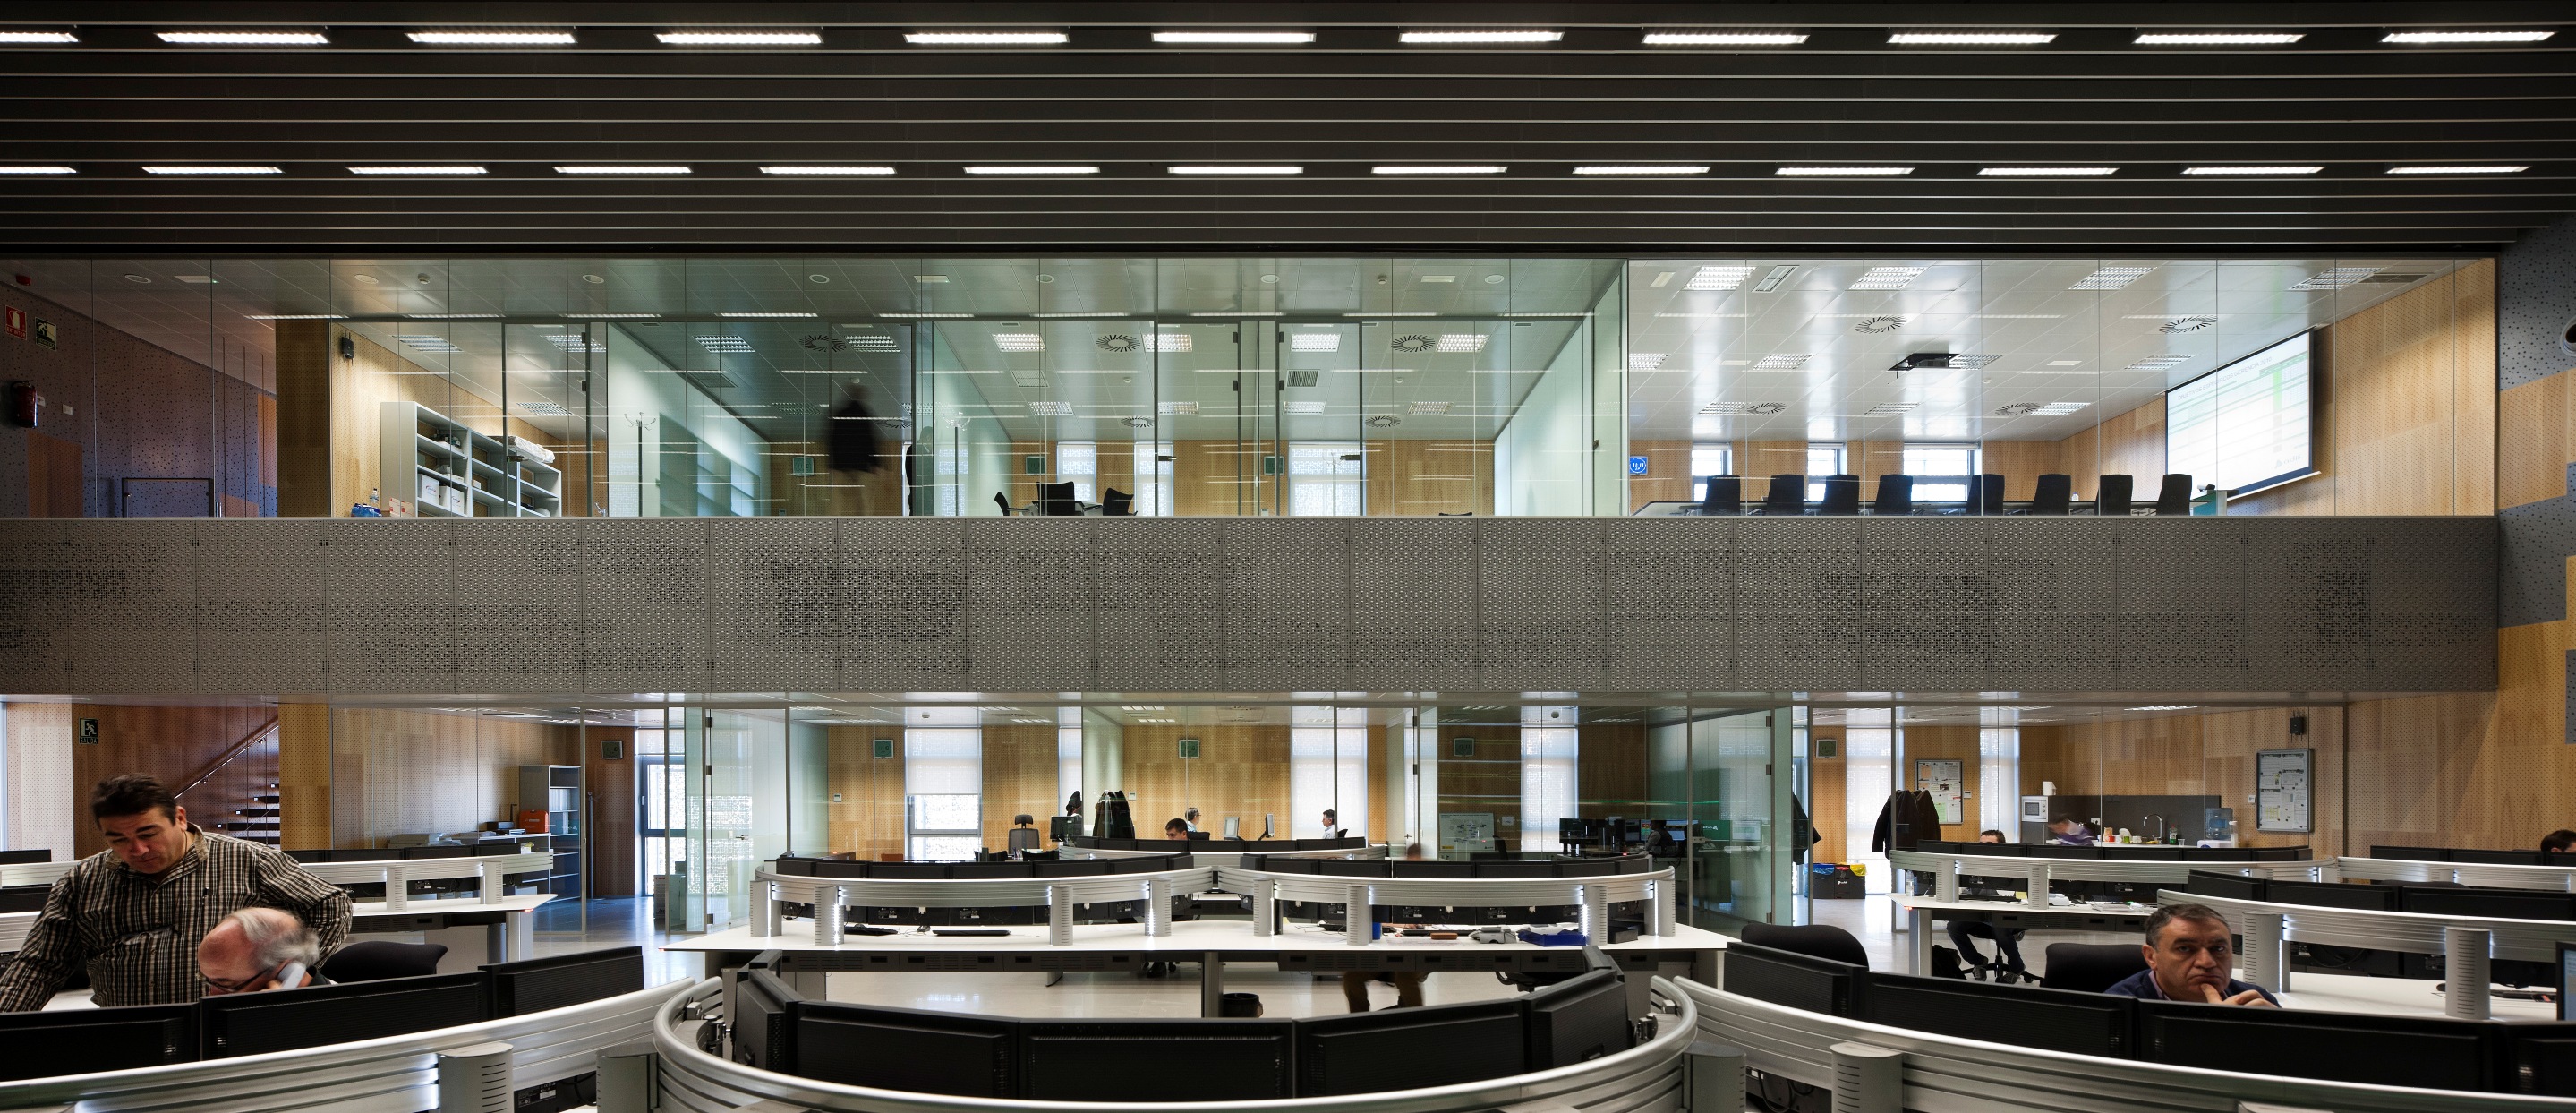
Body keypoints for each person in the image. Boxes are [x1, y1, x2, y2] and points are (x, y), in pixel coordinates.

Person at [0, 774, 354, 1011]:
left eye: (148, 833)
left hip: (224, 1023)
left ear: (180, 818)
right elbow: (39, 964)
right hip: (127, 1033)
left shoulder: (247, 860)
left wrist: (290, 975)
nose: (136, 849)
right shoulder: (83, 880)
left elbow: (331, 906)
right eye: (118, 839)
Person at [2103, 903, 2278, 1006]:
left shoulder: (2255, 1000)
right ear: (2151, 957)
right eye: (2185, 949)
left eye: (2218, 949)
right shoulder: (2118, 1008)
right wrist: (2222, 1030)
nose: (2207, 963)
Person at [1343, 844, 1429, 1011]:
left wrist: (1419, 924)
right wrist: (1401, 924)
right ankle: (1358, 1024)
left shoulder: (1430, 885)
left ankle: (1417, 1025)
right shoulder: (1393, 884)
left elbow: (1437, 921)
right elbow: (1378, 916)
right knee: (1351, 977)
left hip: (1418, 952)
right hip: (1387, 951)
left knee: (1404, 975)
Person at [1945, 830, 2026, 977]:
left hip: (2006, 913)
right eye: (1981, 844)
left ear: (2002, 846)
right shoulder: (1972, 862)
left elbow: (2009, 893)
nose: (1984, 847)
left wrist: (1991, 872)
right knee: (1953, 927)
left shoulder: (2013, 864)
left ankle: (2017, 967)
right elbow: (1962, 887)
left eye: (1989, 844)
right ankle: (1978, 961)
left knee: (2000, 929)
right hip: (1979, 914)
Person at [199, 907, 326, 996]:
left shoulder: (333, 1023)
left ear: (285, 973)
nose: (211, 993)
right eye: (208, 981)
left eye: (225, 985)